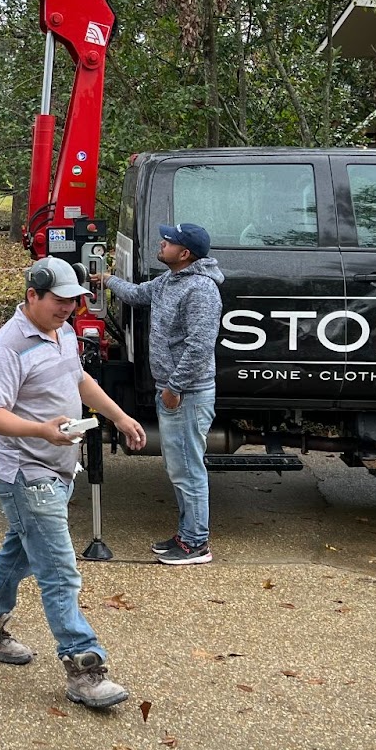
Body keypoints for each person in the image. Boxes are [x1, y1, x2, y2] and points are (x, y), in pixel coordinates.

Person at [0, 256, 147, 710]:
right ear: (32, 295)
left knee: (21, 551)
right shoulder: (7, 347)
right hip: (28, 474)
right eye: (60, 301)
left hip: (61, 465)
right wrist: (41, 430)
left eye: (75, 301)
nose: (69, 308)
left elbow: (78, 378)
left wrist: (120, 417)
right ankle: (85, 667)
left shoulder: (62, 332)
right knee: (59, 571)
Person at [92, 222, 223, 566]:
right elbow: (138, 294)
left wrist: (175, 389)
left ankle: (196, 544)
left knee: (189, 469)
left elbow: (199, 346)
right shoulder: (171, 281)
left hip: (186, 395)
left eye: (169, 242)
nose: (161, 243)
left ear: (185, 254)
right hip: (174, 391)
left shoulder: (200, 290)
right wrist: (107, 281)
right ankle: (186, 535)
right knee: (179, 467)